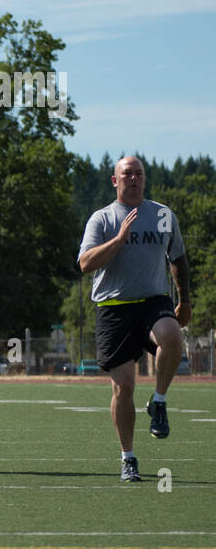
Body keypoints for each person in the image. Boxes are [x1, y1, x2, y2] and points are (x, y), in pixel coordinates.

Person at [77, 156, 189, 482]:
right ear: (115, 181)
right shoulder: (103, 219)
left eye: (139, 174)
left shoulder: (163, 215)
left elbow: (178, 258)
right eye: (128, 174)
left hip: (154, 301)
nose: (134, 179)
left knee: (171, 335)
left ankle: (159, 401)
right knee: (124, 388)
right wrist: (119, 240)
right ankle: (128, 458)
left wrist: (185, 301)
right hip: (114, 308)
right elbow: (85, 264)